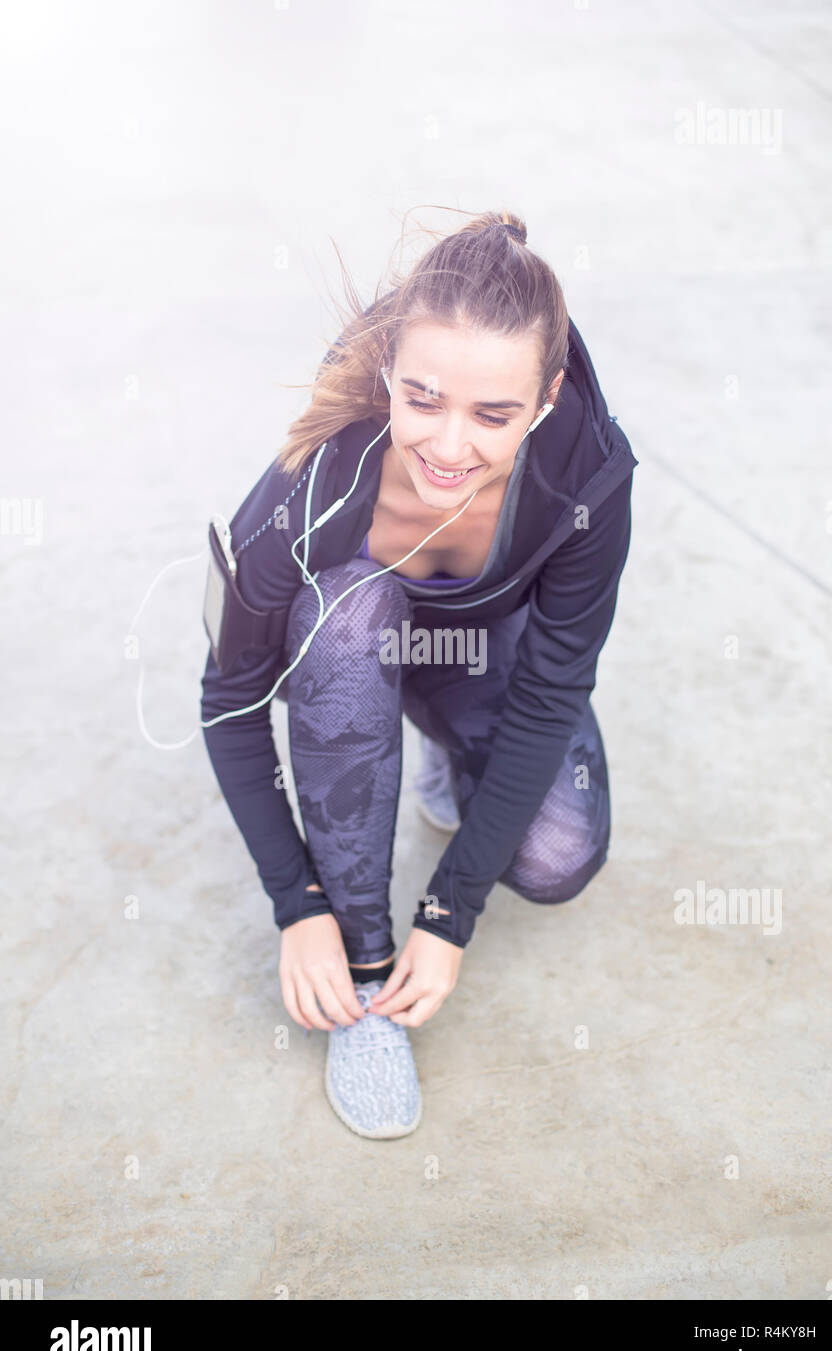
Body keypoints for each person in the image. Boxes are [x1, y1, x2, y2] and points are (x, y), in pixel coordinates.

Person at [200, 208, 640, 1140]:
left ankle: (445, 745)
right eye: (424, 398)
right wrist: (299, 904)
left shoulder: (589, 474)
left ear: (548, 396)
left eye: (494, 414)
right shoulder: (308, 489)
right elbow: (228, 703)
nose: (448, 448)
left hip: (479, 654)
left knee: (558, 856)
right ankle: (366, 987)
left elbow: (554, 689)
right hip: (351, 656)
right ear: (390, 372)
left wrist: (450, 914)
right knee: (354, 620)